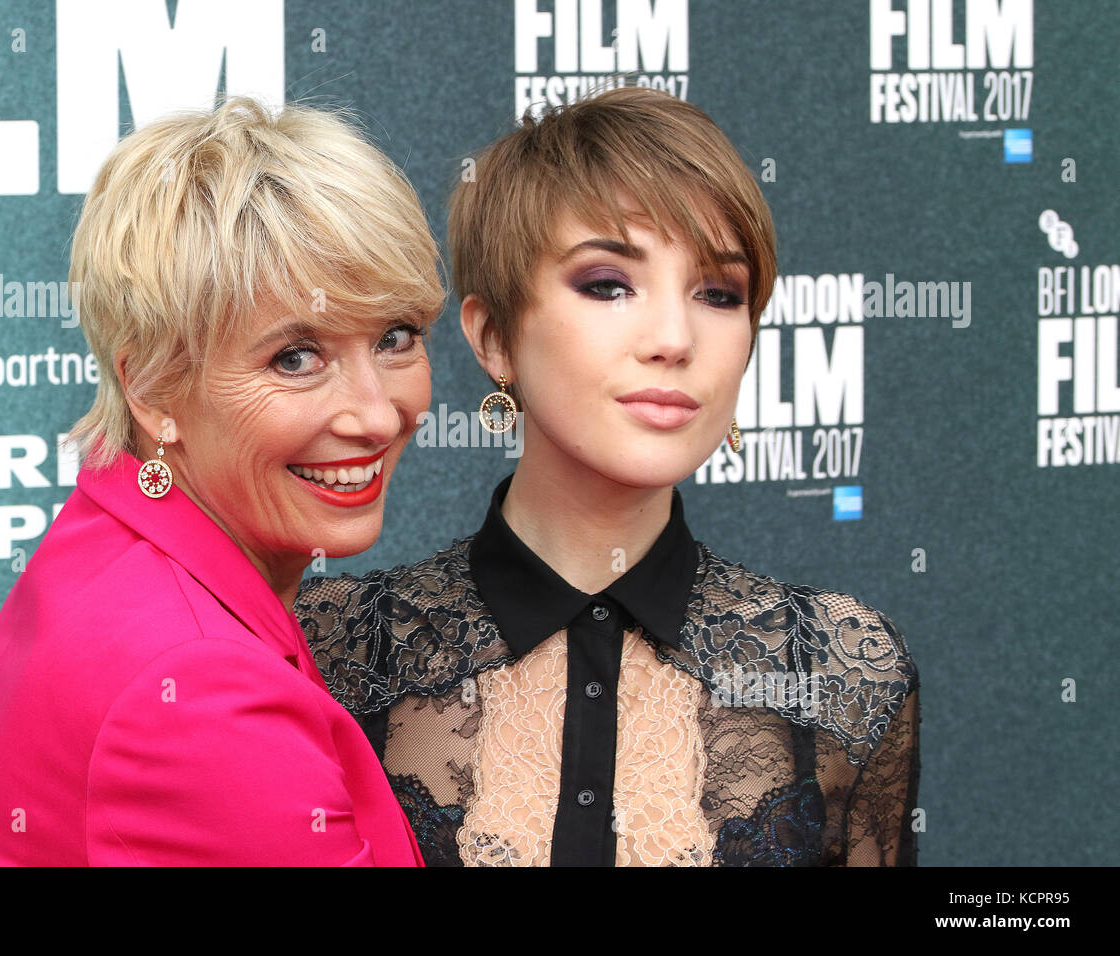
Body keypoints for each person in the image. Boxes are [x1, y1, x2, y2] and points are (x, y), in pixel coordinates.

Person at [295, 86, 921, 866]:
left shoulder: (840, 665)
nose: (673, 337)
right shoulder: (329, 645)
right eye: (608, 285)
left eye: (719, 294)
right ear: (493, 337)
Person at [0, 95, 444, 865]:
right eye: (297, 357)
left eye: (395, 337)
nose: (379, 417)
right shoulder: (198, 695)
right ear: (153, 388)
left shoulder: (109, 542)